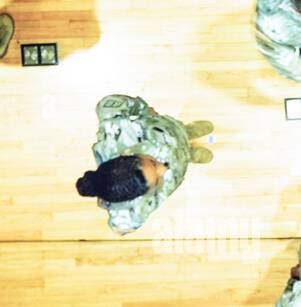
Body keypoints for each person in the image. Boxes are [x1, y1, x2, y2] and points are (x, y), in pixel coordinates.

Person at [77, 95, 213, 236]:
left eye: (153, 163)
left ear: (125, 156)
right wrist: (109, 201)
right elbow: (119, 228)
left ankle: (188, 131)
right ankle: (190, 154)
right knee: (186, 157)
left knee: (184, 131)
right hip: (179, 164)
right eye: (155, 181)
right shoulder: (133, 209)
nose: (163, 168)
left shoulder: (114, 134)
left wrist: (143, 109)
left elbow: (107, 105)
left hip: (171, 132)